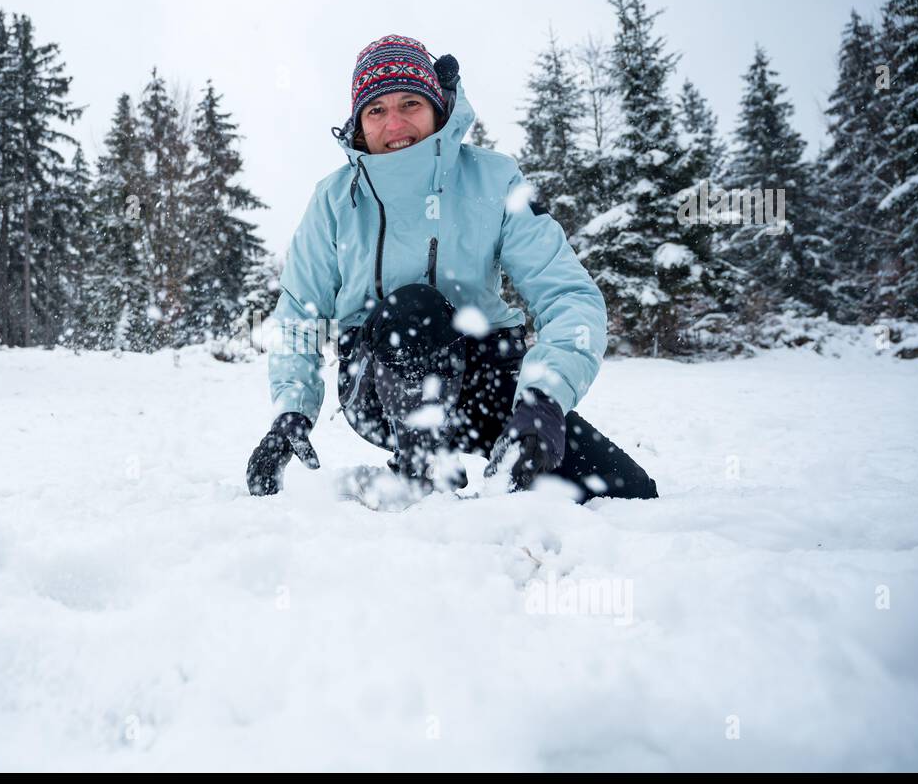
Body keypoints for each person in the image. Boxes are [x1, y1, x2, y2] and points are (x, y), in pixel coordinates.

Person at [246, 34, 657, 503]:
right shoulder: (335, 199)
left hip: (485, 379)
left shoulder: (494, 178)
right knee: (414, 309)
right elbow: (300, 309)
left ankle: (504, 455)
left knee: (629, 493)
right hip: (382, 384)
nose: (395, 123)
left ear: (438, 106)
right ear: (359, 122)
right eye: (376, 110)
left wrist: (543, 401)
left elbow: (568, 296)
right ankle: (425, 472)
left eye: (409, 103)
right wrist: (290, 414)